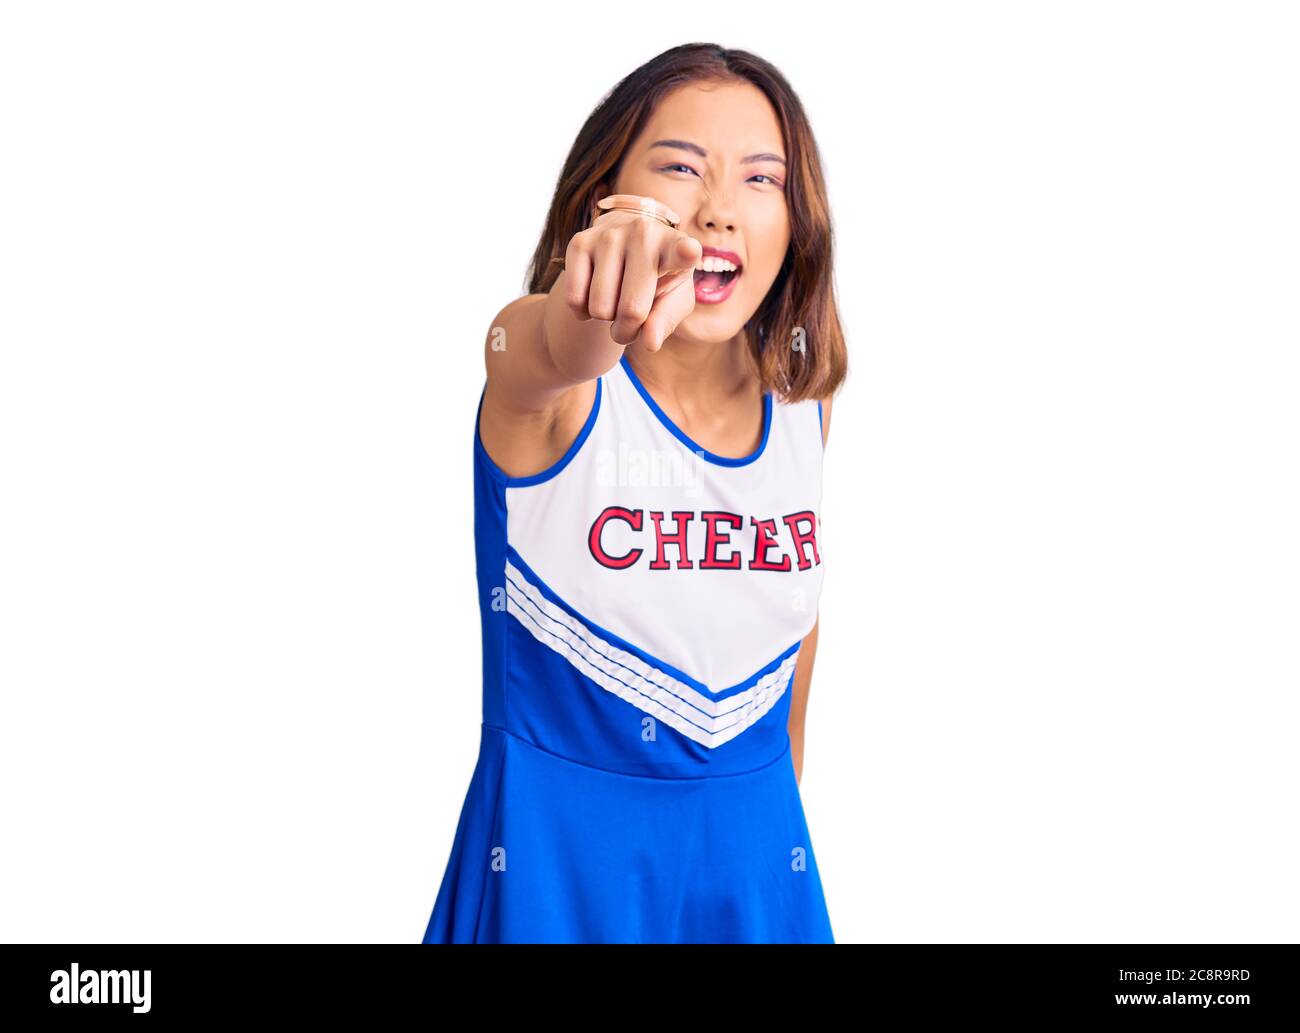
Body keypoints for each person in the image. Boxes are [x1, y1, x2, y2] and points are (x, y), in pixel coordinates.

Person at [421, 42, 848, 943]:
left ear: (797, 219)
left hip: (757, 884)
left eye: (760, 179)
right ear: (602, 199)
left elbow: (787, 676)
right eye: (681, 168)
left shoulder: (805, 406)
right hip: (554, 879)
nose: (718, 209)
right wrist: (594, 303)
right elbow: (541, 344)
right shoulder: (548, 378)